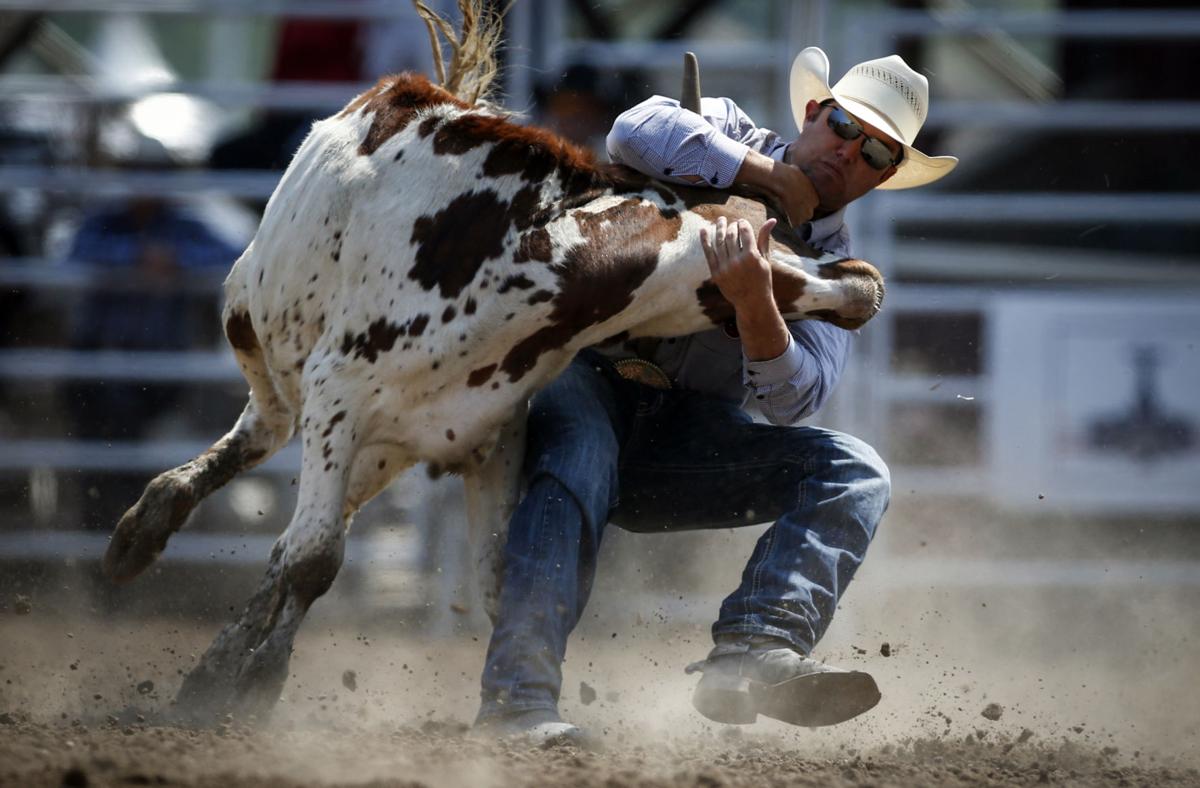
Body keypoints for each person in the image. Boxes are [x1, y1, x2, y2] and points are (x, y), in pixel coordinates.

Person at [474, 47, 959, 743]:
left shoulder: (833, 267)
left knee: (854, 473)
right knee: (579, 448)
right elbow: (635, 130)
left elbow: (797, 401)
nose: (850, 153)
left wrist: (758, 306)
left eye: (878, 153)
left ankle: (754, 648)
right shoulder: (723, 128)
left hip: (684, 437)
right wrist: (764, 175)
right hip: (583, 377)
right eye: (846, 128)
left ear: (884, 176)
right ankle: (516, 702)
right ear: (815, 114)